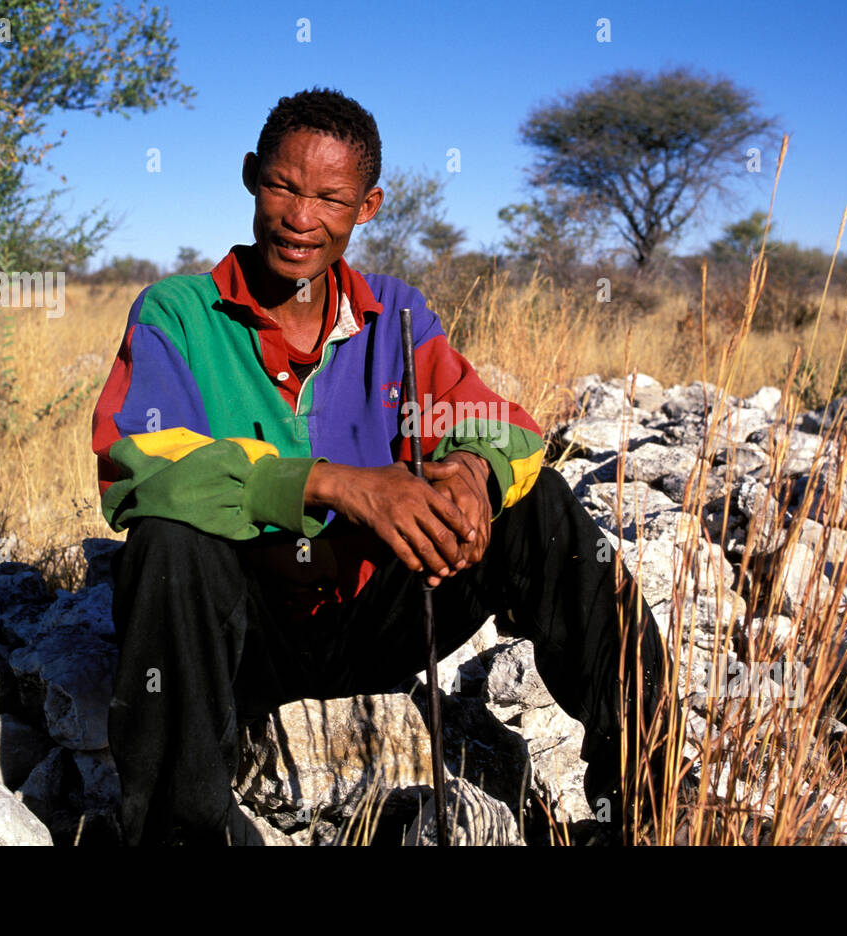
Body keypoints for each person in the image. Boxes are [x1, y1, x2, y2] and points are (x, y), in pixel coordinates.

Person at [91, 87, 670, 845]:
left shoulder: (395, 314)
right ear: (249, 177)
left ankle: (648, 803)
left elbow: (508, 430)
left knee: (540, 506)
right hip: (245, 638)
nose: (300, 217)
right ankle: (183, 833)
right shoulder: (177, 313)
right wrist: (328, 483)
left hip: (384, 621)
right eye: (282, 186)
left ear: (367, 208)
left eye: (330, 197)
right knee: (170, 543)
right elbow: (138, 462)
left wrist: (471, 473)